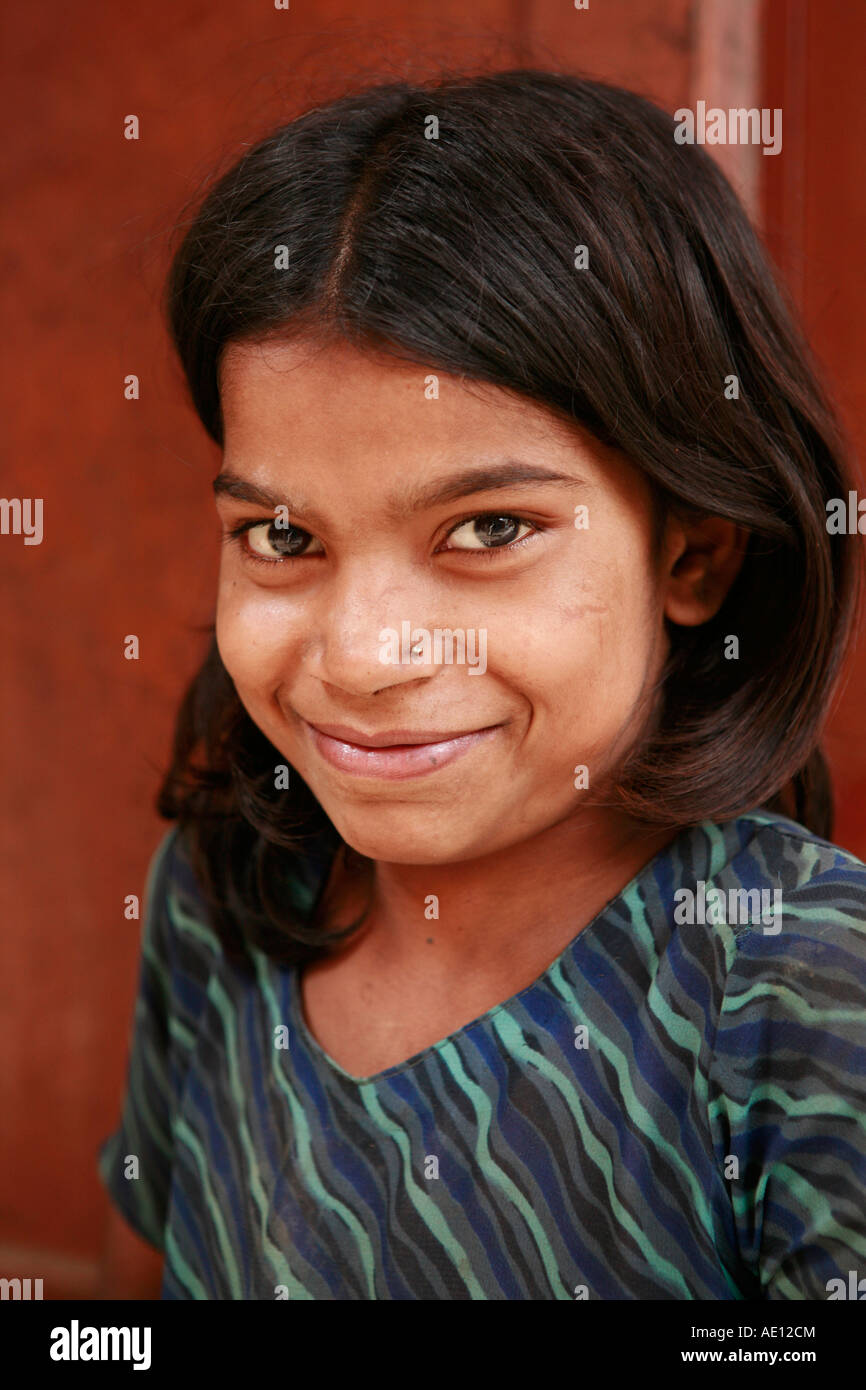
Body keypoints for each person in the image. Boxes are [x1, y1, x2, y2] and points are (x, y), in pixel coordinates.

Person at [97, 68, 866, 1300]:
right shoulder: (226, 888)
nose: (362, 654)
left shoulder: (800, 987)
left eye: (490, 530)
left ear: (693, 551)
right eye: (285, 539)